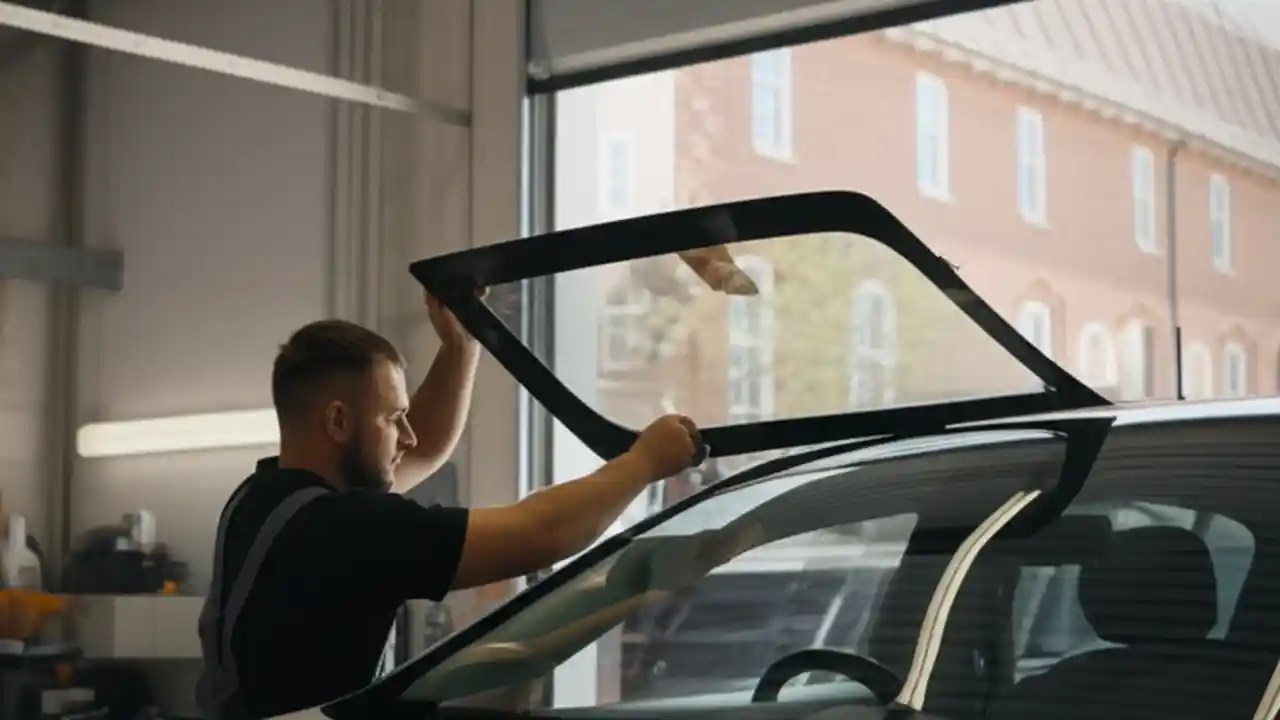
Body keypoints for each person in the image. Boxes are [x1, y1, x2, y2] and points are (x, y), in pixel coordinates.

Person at [196, 293, 703, 719]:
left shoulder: (263, 500)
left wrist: (461, 346)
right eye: (394, 418)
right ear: (337, 422)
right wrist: (645, 462)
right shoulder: (344, 531)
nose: (408, 434)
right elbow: (542, 533)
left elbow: (421, 450)